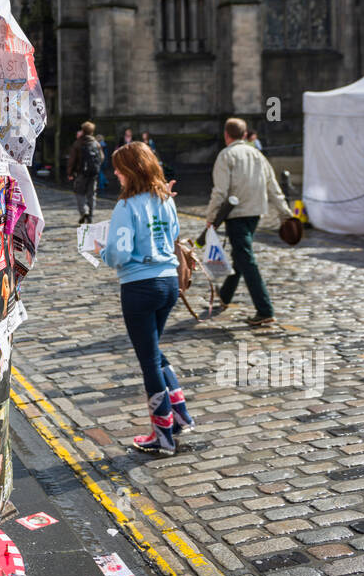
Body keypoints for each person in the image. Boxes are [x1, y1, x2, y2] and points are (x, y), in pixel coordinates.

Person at [96, 142, 194, 455]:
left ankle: (163, 435)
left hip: (139, 287)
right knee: (153, 350)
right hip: (168, 283)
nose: (115, 173)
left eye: (119, 168)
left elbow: (119, 254)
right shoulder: (166, 199)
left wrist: (100, 250)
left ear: (131, 171)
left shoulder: (126, 207)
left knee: (149, 360)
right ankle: (179, 414)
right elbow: (174, 233)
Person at [205, 116, 292, 328]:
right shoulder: (258, 155)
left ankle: (265, 310)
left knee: (246, 259)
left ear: (226, 135)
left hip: (235, 215)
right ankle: (225, 295)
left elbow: (220, 192)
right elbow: (273, 187)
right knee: (241, 256)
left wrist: (211, 218)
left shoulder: (226, 156)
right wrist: (286, 214)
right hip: (255, 214)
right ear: (245, 135)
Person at [66, 120, 102, 224]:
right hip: (93, 174)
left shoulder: (78, 143)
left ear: (83, 131)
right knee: (91, 195)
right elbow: (101, 157)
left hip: (81, 173)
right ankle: (90, 215)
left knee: (79, 193)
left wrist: (70, 173)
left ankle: (84, 211)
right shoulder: (96, 144)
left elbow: (72, 160)